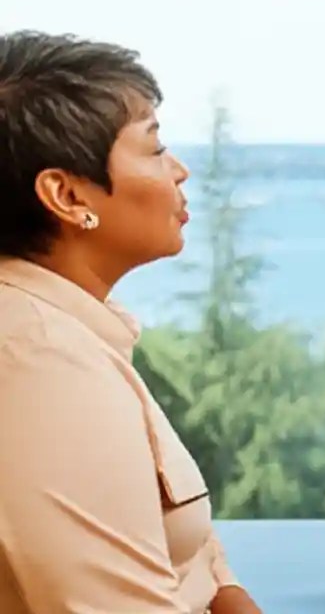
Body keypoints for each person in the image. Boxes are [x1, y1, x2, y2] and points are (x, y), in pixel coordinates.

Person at [0, 31, 262, 614]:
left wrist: (229, 592)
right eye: (154, 148)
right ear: (67, 196)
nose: (179, 170)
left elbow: (179, 542)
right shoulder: (38, 364)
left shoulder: (70, 327)